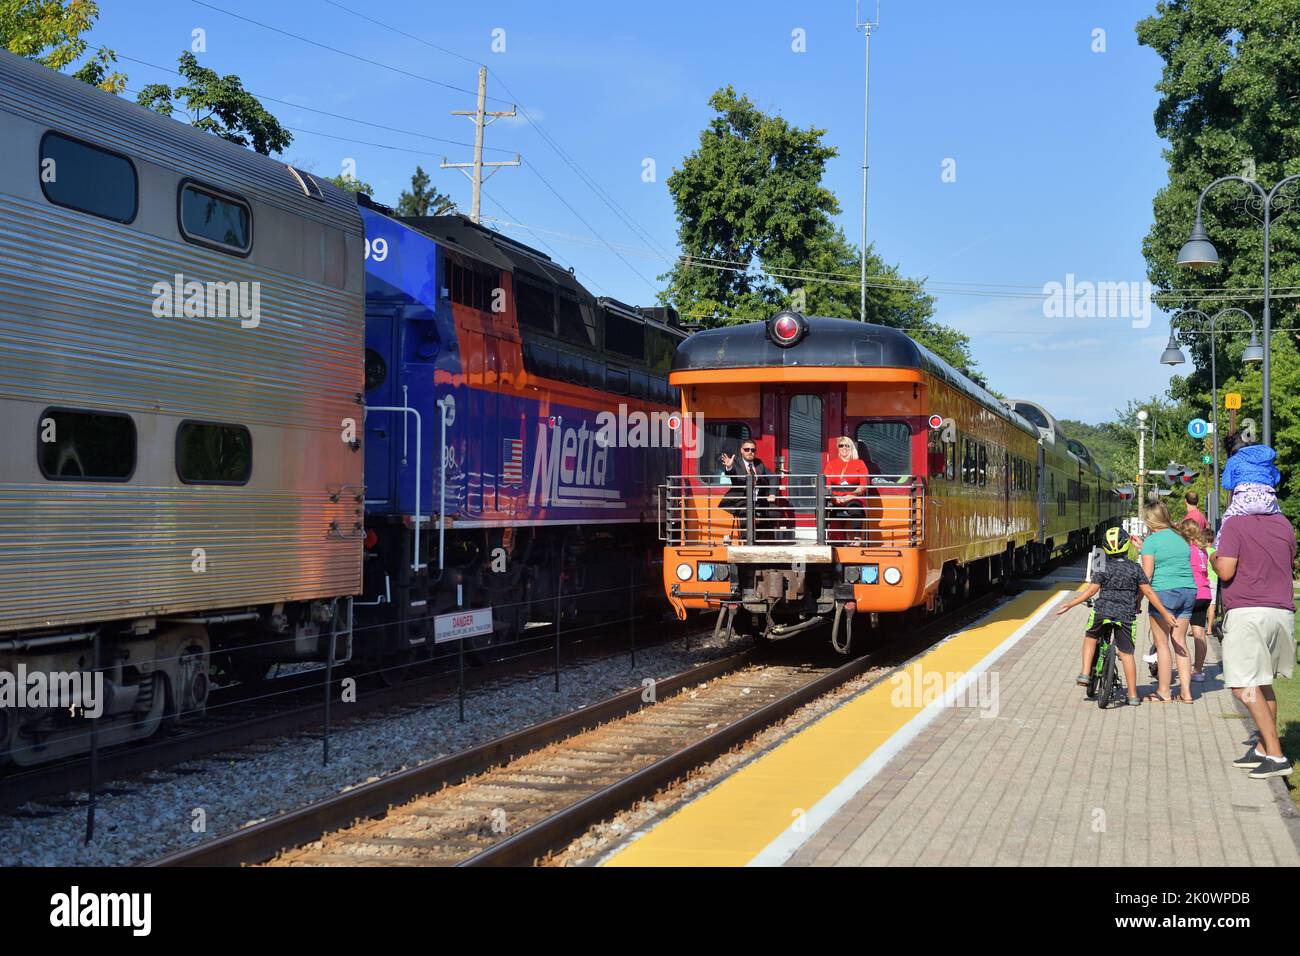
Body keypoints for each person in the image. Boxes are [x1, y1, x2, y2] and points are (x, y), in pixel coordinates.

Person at [1213, 505, 1296, 779]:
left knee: (1243, 686)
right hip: (1281, 612)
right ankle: (1262, 748)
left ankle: (1275, 754)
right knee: (1262, 683)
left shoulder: (1235, 523)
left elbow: (1225, 571)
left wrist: (1214, 557)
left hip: (1248, 613)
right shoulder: (1283, 523)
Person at [1057, 526, 1178, 707]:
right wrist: (1165, 613)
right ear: (1126, 545)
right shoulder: (1135, 569)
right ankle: (1132, 695)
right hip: (1126, 615)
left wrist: (1070, 604)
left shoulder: (1103, 567)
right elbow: (1149, 593)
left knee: (1091, 636)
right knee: (1127, 654)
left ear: (1105, 548)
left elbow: (1091, 591)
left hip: (1103, 611)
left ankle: (1084, 673)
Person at [1138, 502, 1198, 703]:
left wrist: (1137, 600)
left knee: (1162, 644)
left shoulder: (1151, 541)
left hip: (1164, 593)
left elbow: (1146, 576)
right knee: (1180, 641)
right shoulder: (1181, 538)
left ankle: (1164, 691)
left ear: (1150, 520)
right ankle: (1186, 692)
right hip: (1188, 591)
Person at [1217, 435, 1282, 547]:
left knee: (1226, 521)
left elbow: (1227, 484)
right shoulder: (1266, 459)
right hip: (1267, 499)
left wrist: (1239, 482)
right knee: (1282, 522)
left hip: (1244, 500)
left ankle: (1219, 550)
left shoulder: (1233, 460)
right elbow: (1277, 478)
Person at [719, 439, 777, 542]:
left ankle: (765, 541)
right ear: (741, 450)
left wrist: (772, 494)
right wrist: (729, 467)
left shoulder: (759, 463)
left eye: (752, 450)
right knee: (746, 512)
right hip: (741, 500)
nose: (750, 452)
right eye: (747, 449)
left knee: (775, 512)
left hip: (758, 500)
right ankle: (747, 542)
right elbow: (732, 474)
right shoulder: (735, 463)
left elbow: (772, 477)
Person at [1180, 518, 1212, 683]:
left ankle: (1180, 667)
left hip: (1191, 593)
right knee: (1199, 632)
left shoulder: (1186, 549)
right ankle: (1198, 671)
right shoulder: (1202, 550)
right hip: (1205, 594)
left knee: (1178, 633)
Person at [824, 437, 869, 543]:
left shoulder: (859, 463)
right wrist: (833, 497)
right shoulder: (831, 464)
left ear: (851, 447)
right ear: (838, 448)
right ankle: (827, 539)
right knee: (821, 507)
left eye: (847, 445)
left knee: (855, 508)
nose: (844, 448)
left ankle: (857, 538)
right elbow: (826, 484)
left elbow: (863, 485)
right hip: (835, 497)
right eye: (841, 445)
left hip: (853, 497)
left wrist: (850, 496)